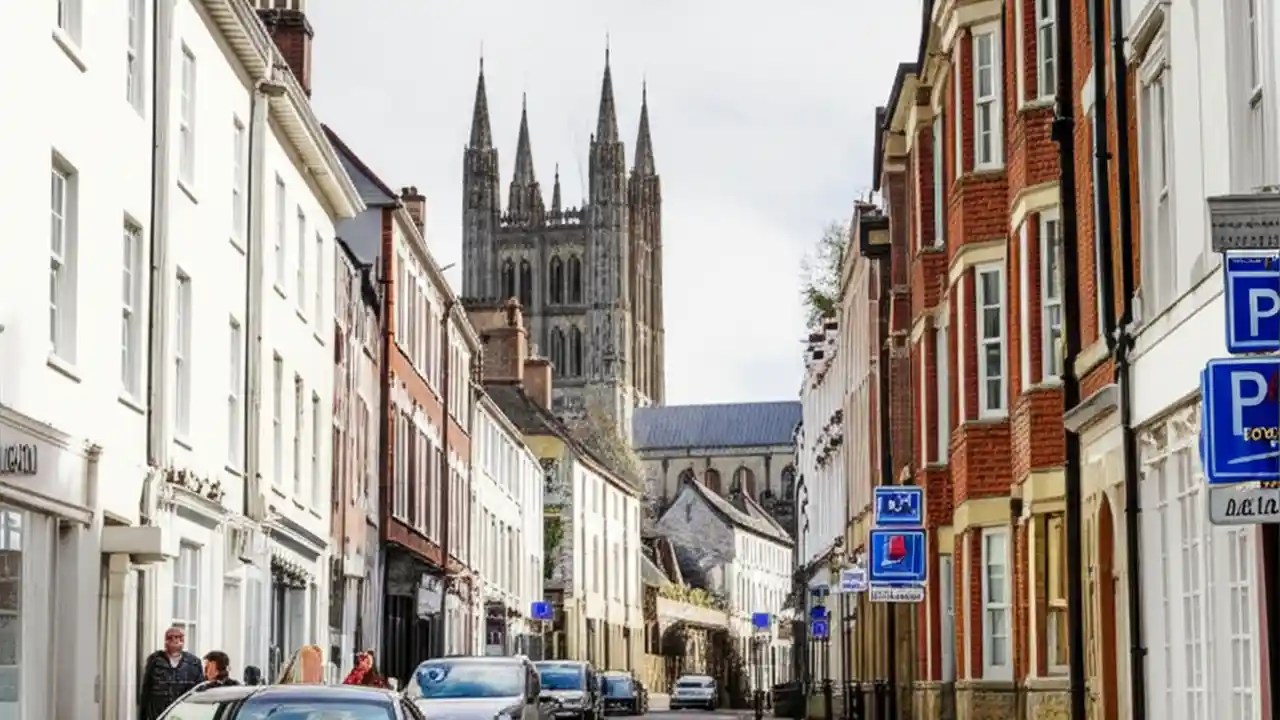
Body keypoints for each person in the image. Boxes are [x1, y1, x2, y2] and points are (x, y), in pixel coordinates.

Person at [138, 626, 204, 720]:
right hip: (159, 714)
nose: (175, 641)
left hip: (184, 714)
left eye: (178, 637)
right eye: (171, 637)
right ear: (166, 641)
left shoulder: (193, 662)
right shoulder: (155, 661)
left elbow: (199, 690)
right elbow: (146, 690)